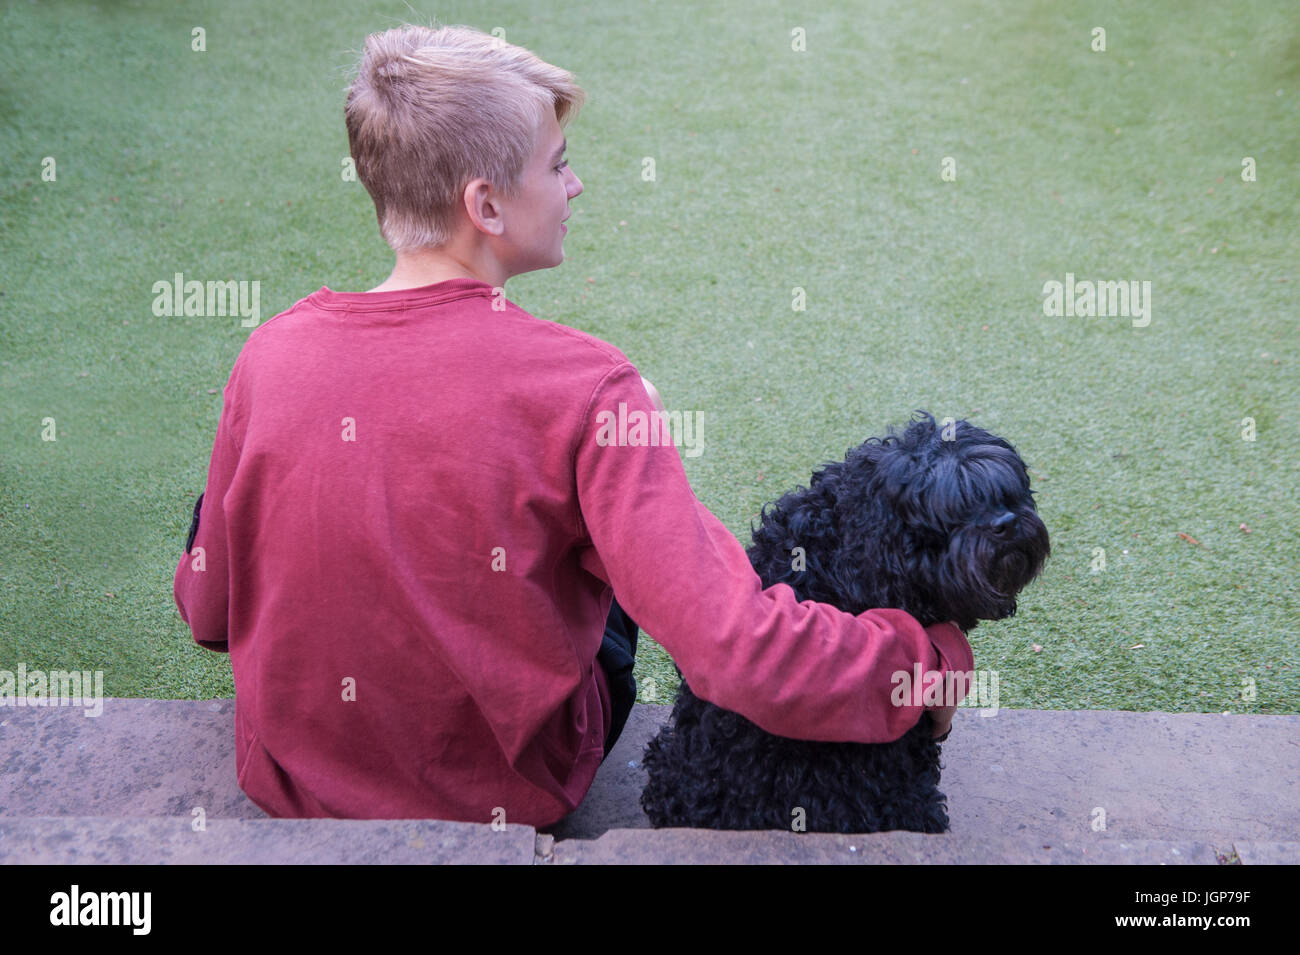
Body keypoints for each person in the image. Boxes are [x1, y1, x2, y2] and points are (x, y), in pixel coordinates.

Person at [173, 23, 972, 827]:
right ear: (484, 204)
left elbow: (208, 611)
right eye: (557, 166)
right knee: (621, 542)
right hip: (509, 794)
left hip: (289, 786)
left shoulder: (268, 353)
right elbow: (738, 652)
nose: (576, 185)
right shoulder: (592, 390)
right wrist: (922, 664)